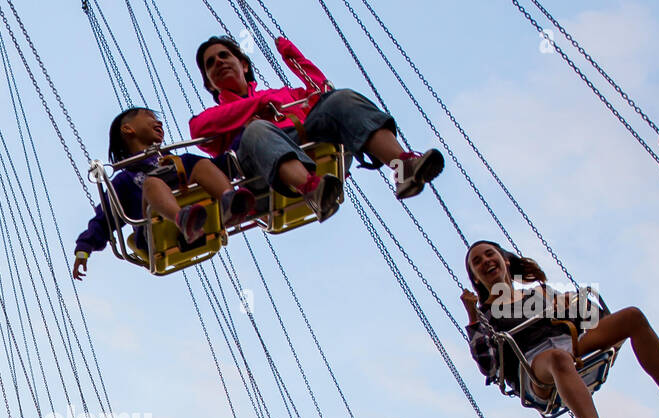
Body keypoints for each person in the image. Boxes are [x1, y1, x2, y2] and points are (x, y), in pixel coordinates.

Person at [462, 240, 659, 418]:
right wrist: (473, 316)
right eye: (477, 262)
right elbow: (489, 366)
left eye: (489, 254)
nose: (485, 261)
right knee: (557, 358)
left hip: (570, 344)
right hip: (533, 367)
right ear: (476, 277)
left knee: (632, 316)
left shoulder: (540, 293)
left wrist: (572, 305)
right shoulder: (485, 315)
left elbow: (594, 317)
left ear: (504, 261)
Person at [188, 34, 444, 217]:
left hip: (308, 140)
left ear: (243, 64)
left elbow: (321, 91)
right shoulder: (217, 115)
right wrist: (258, 104)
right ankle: (311, 188)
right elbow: (199, 129)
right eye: (210, 64)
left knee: (340, 98)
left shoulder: (284, 94)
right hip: (261, 170)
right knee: (255, 129)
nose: (219, 62)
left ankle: (402, 165)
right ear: (210, 84)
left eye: (224, 55)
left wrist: (293, 56)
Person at [73, 106, 255, 279]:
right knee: (152, 183)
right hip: (155, 233)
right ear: (128, 129)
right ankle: (182, 218)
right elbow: (105, 218)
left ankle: (230, 202)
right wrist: (84, 246)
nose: (159, 123)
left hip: (202, 215)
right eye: (150, 117)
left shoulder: (180, 161)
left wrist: (244, 133)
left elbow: (224, 167)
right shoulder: (125, 180)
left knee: (202, 165)